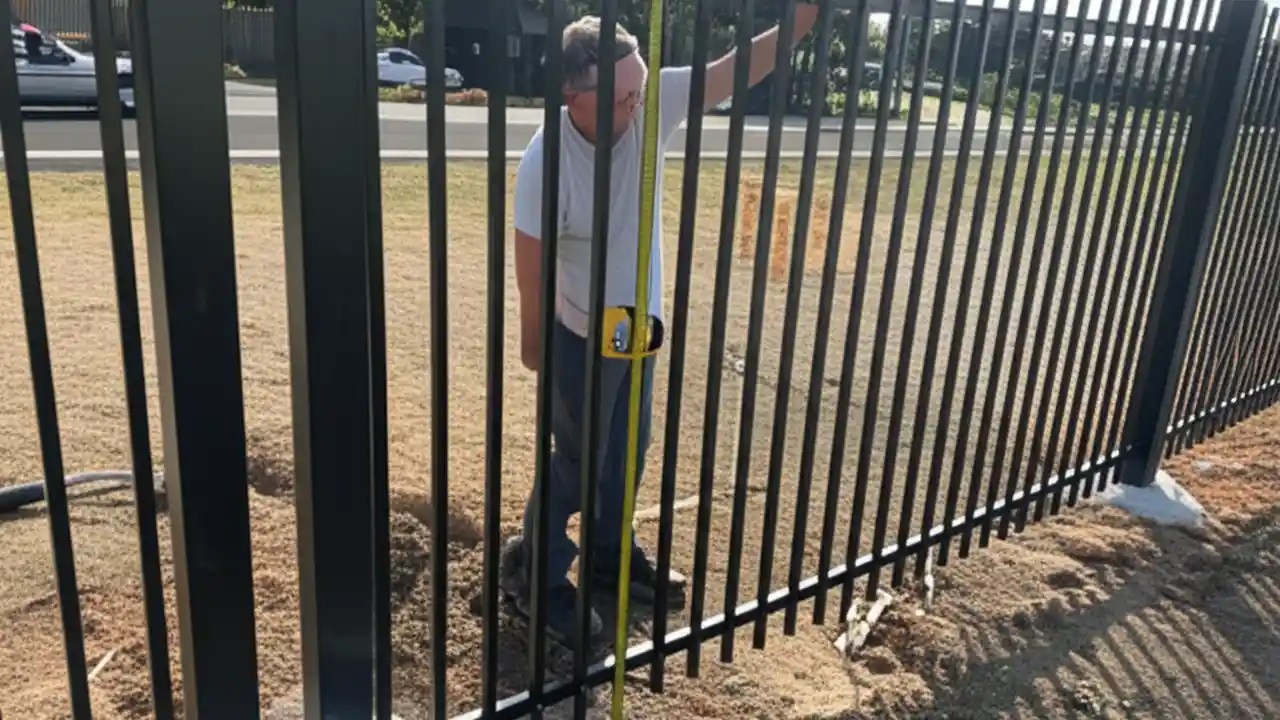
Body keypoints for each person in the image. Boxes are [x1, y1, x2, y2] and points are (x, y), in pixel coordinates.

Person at [503, 7, 820, 645]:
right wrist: (535, 346)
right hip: (579, 335)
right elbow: (530, 267)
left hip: (637, 330)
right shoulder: (546, 159)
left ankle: (608, 555)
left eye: (638, 92)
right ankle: (533, 578)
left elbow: (736, 70)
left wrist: (803, 21)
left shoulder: (648, 106)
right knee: (574, 461)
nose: (634, 109)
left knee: (626, 455)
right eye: (620, 99)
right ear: (573, 96)